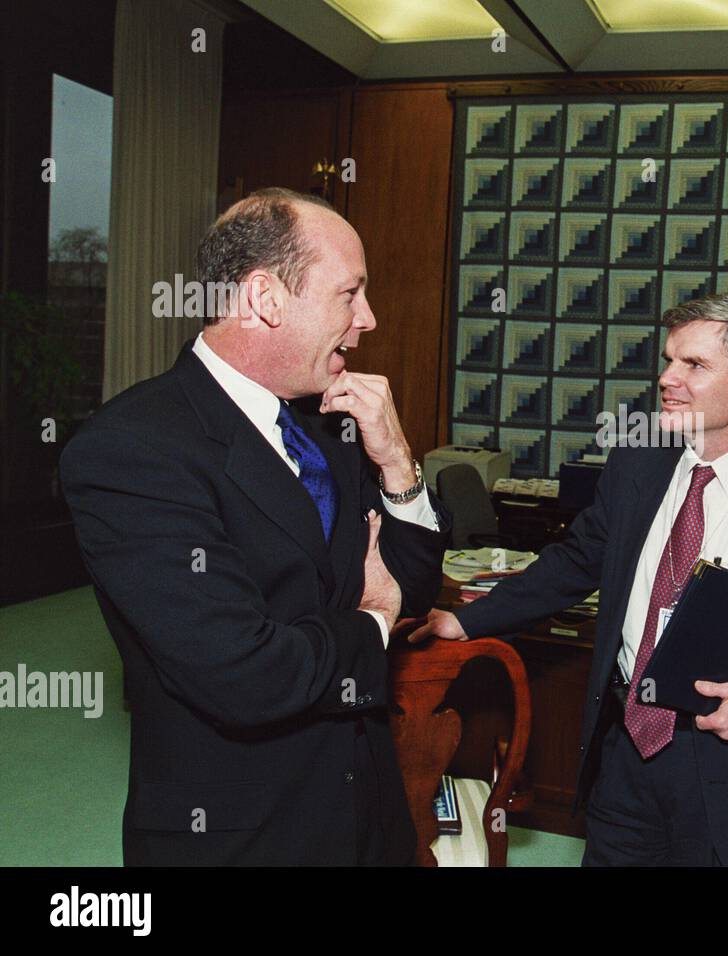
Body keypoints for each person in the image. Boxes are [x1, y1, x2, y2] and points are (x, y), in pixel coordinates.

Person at [421, 294, 728, 865]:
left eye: (693, 365)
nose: (667, 379)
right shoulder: (636, 466)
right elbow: (575, 562)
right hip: (624, 756)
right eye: (669, 360)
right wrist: (466, 619)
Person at [60, 187, 448, 865]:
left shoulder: (331, 425)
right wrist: (373, 621)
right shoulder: (132, 450)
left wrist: (395, 459)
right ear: (266, 299)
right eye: (350, 294)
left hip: (370, 822)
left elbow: (410, 583)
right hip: (245, 839)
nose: (370, 319)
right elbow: (246, 673)